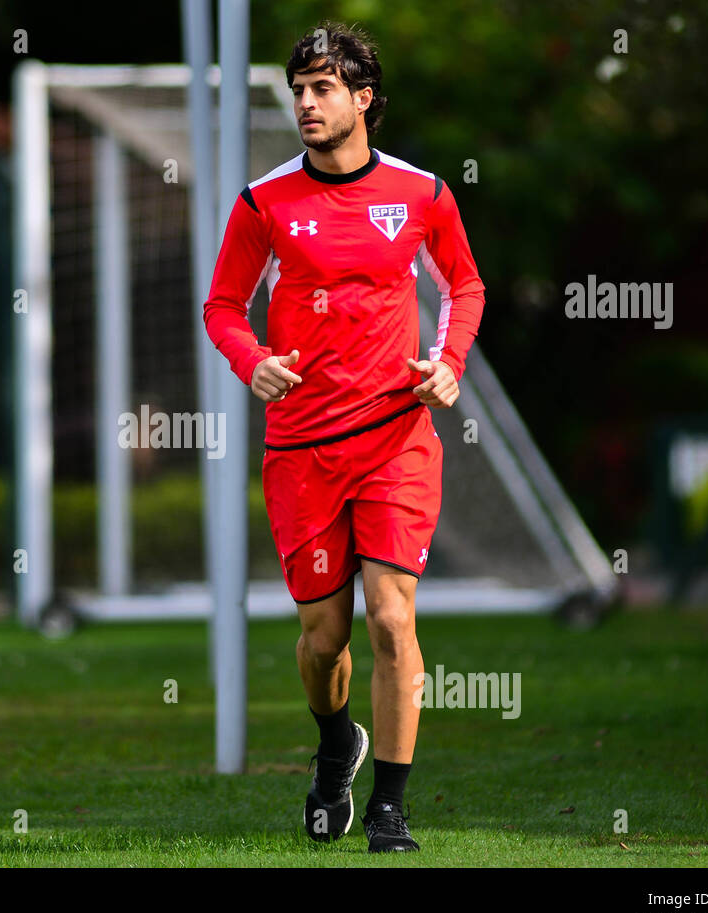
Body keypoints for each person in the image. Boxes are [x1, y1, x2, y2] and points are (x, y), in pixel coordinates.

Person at [202, 22, 485, 852]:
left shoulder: (424, 193)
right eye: (298, 90)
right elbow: (222, 305)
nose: (306, 103)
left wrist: (449, 363)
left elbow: (464, 283)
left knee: (392, 622)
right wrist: (250, 361)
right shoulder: (264, 201)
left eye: (322, 88)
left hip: (397, 437)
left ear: (363, 99)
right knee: (323, 636)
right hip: (301, 449)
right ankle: (335, 749)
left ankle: (392, 809)